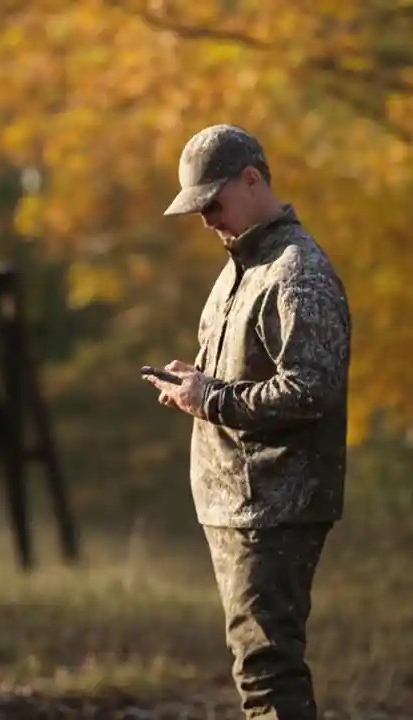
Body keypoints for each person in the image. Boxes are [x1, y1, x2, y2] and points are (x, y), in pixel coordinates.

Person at [143, 124, 351, 720]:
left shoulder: (296, 272)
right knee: (258, 668)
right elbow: (251, 374)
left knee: (267, 674)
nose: (207, 219)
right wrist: (196, 381)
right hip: (242, 506)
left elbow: (311, 391)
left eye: (213, 203)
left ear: (252, 180)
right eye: (198, 209)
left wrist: (210, 397)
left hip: (273, 507)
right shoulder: (244, 265)